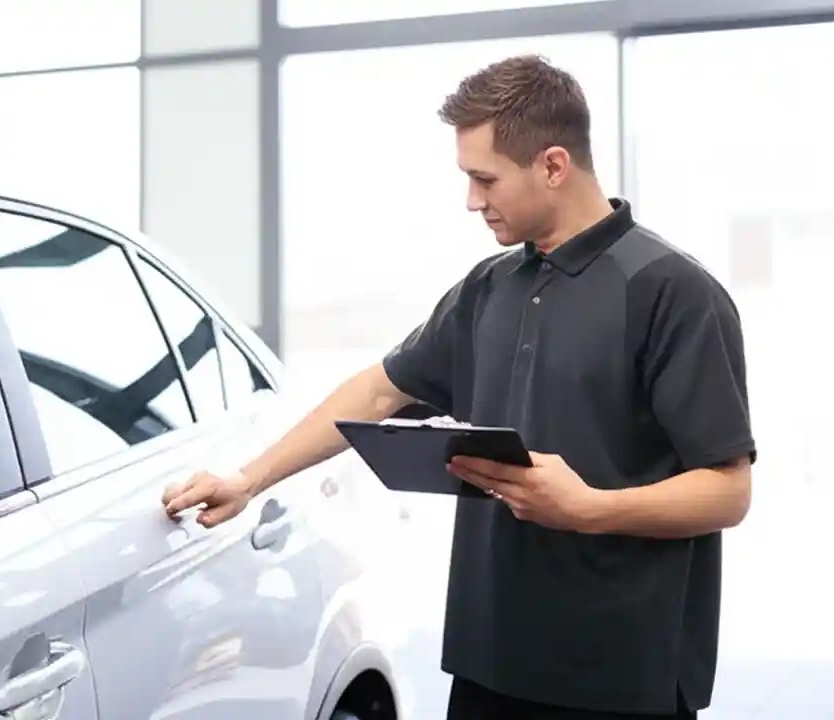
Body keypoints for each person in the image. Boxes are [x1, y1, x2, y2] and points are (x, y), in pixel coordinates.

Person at [162, 54, 755, 720]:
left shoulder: (671, 291)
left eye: (485, 179)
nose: (472, 200)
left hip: (621, 678)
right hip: (489, 663)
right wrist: (250, 479)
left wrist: (588, 507)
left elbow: (728, 489)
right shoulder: (488, 288)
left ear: (553, 166)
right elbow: (378, 394)